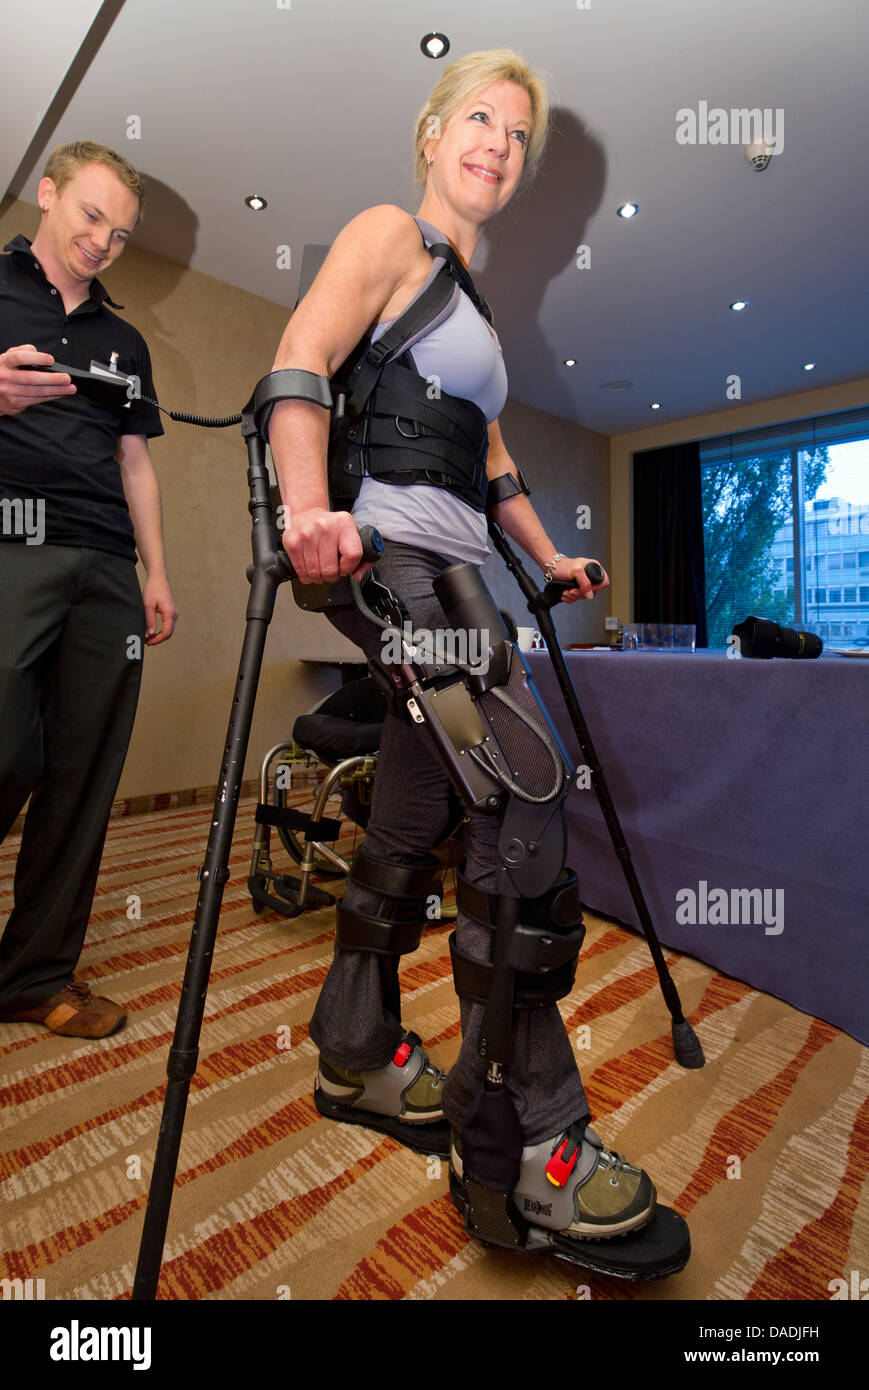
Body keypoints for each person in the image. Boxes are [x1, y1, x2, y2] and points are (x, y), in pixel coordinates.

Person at [269, 51, 659, 1252]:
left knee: (409, 808)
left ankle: (353, 1054)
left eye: (517, 132)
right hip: (385, 559)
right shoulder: (390, 233)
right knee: (526, 797)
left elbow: (488, 468)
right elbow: (298, 364)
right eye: (478, 117)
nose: (498, 140)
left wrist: (544, 557)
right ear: (435, 133)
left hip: (460, 574)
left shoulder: (476, 314)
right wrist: (303, 513)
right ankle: (522, 1143)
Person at [0, 141, 177, 1039]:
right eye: (92, 215)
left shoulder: (125, 340)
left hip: (107, 564)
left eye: (121, 231)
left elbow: (135, 462)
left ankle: (32, 977)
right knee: (8, 750)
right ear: (48, 193)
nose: (105, 240)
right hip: (10, 546)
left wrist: (157, 572)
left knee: (82, 772)